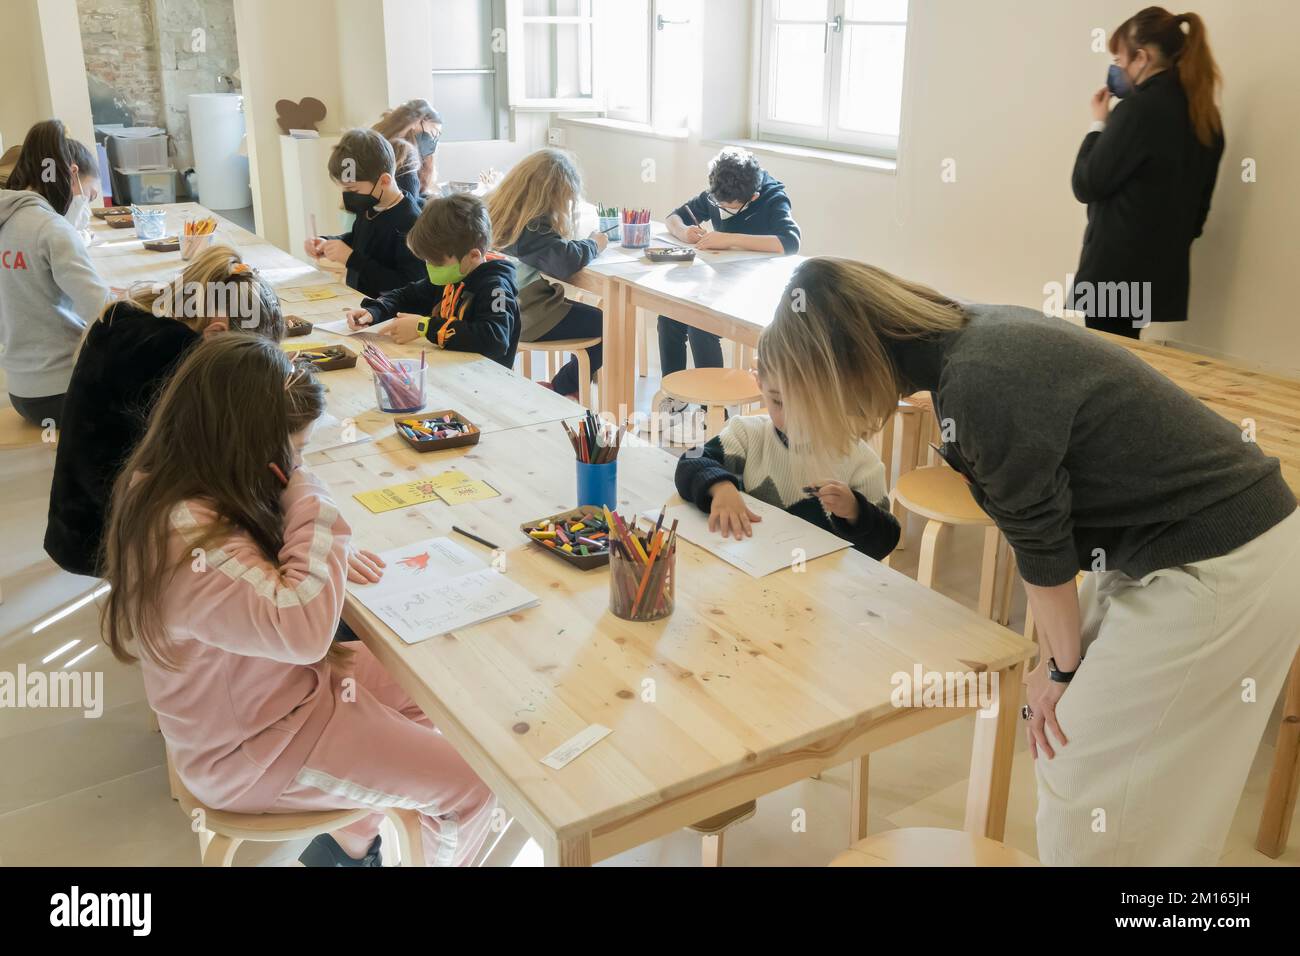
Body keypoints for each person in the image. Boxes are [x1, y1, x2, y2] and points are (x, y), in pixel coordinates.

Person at [758, 256, 1300, 866]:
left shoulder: (977, 379)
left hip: (1226, 556)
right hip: (1179, 546)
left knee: (1083, 763)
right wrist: (1060, 664)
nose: (792, 419)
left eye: (792, 397)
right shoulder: (965, 344)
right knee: (1100, 769)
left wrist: (1061, 669)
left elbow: (1041, 549)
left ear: (840, 368)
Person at [100, 335, 496, 866]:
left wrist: (317, 555)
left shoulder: (173, 485)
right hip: (254, 752)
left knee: (425, 677)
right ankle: (372, 834)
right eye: (297, 451)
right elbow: (304, 632)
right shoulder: (191, 543)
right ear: (255, 454)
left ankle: (349, 846)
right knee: (473, 785)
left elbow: (262, 586)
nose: (299, 464)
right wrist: (313, 503)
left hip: (271, 699)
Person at [45, 247, 285, 578]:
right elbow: (220, 459)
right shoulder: (175, 362)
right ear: (217, 332)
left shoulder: (133, 318)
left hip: (76, 520)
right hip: (107, 537)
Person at [1071, 7, 1225, 339]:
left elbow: (1086, 183)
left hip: (1114, 274)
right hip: (1158, 273)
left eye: (1119, 58)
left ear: (1141, 58)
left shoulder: (1138, 110)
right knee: (1127, 360)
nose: (1116, 68)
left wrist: (1098, 123)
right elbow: (1198, 215)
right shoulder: (1205, 116)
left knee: (1106, 367)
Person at [675, 354, 899, 558]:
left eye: (808, 405)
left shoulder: (862, 463)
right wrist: (720, 487)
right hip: (752, 568)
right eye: (778, 402)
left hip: (821, 590)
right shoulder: (747, 433)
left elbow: (884, 542)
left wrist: (855, 512)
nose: (793, 417)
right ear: (761, 383)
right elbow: (691, 462)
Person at [656, 147, 800, 442]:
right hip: (719, 285)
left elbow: (790, 242)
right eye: (717, 203)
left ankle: (715, 412)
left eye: (729, 207)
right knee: (670, 315)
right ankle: (674, 398)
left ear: (752, 198)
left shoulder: (771, 197)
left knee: (701, 325)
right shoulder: (717, 192)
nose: (720, 209)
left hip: (757, 288)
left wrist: (728, 238)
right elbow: (673, 217)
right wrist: (684, 233)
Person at [0, 119, 110, 427]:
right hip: (64, 391)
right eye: (88, 196)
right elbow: (102, 312)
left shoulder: (8, 219)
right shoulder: (51, 229)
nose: (86, 206)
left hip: (21, 392)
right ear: (73, 176)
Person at [347, 193, 521, 368]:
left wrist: (423, 326)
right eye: (427, 261)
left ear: (473, 255)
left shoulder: (497, 287)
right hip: (451, 369)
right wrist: (375, 311)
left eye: (437, 262)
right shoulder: (453, 275)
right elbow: (407, 296)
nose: (430, 267)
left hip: (486, 380)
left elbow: (495, 339)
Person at [487, 148, 608, 399]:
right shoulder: (530, 227)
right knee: (609, 325)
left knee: (583, 312)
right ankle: (562, 388)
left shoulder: (495, 209)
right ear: (551, 195)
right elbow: (564, 261)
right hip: (524, 314)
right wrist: (595, 243)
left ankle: (568, 387)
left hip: (495, 307)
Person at [305, 129, 425, 298]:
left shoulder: (410, 221)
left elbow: (407, 284)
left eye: (353, 189)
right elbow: (358, 239)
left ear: (384, 181)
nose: (348, 195)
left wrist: (351, 259)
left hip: (388, 313)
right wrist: (328, 242)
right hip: (360, 303)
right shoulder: (370, 206)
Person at [372, 99, 443, 199]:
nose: (433, 140)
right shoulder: (403, 152)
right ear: (417, 122)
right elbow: (409, 203)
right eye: (433, 132)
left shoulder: (381, 141)